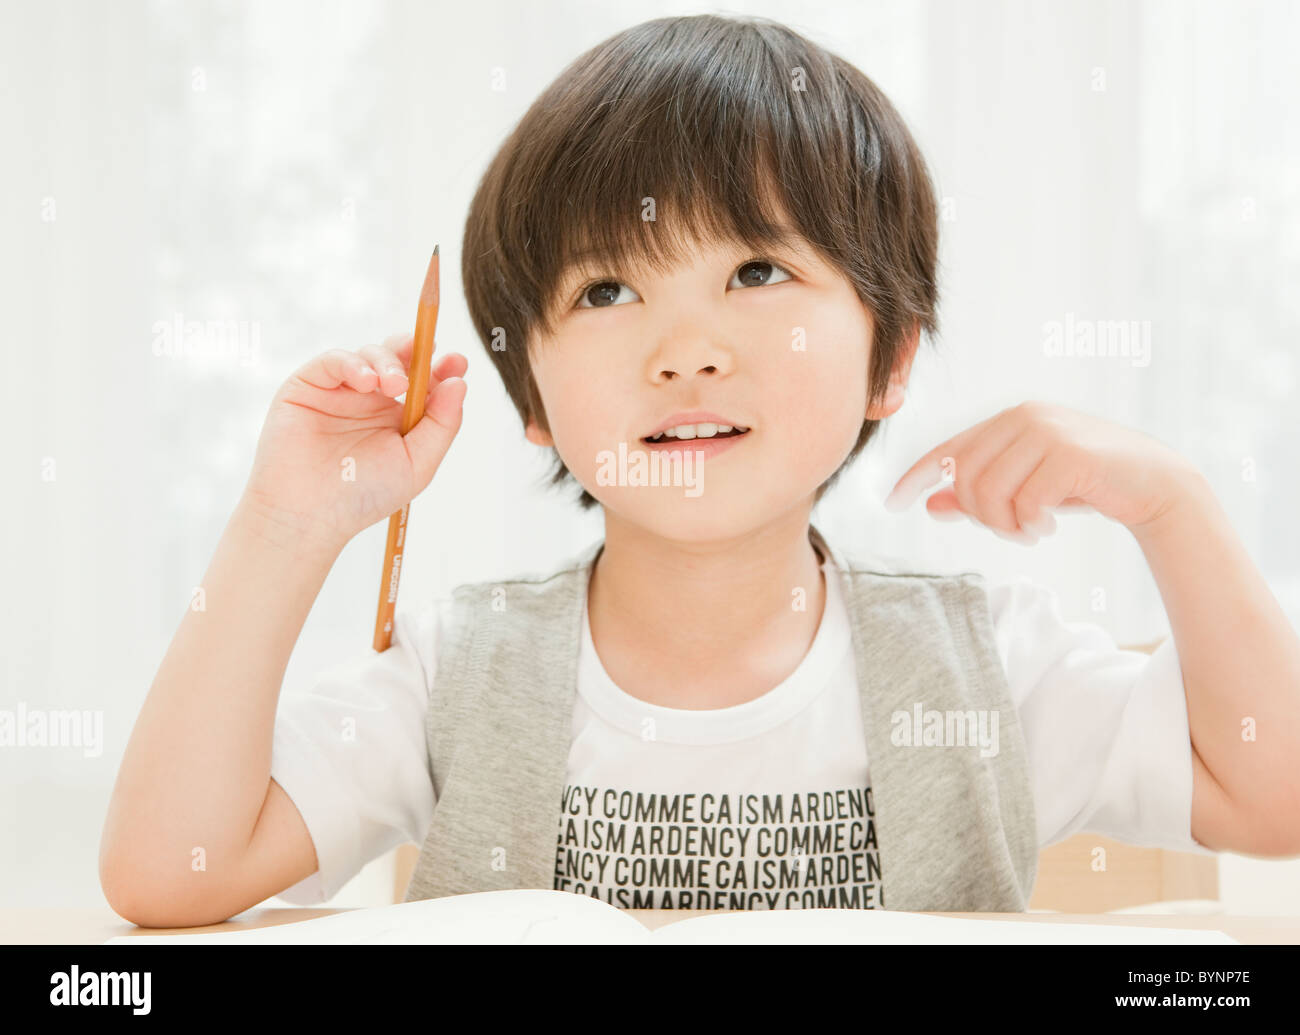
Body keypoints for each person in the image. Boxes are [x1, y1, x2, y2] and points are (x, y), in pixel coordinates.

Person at [100, 14, 1300, 927]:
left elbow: (1272, 798)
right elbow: (167, 874)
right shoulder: (456, 674)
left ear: (890, 360)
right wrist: (284, 523)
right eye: (609, 291)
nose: (685, 352)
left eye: (757, 274)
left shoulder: (986, 668)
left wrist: (1170, 502)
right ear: (533, 400)